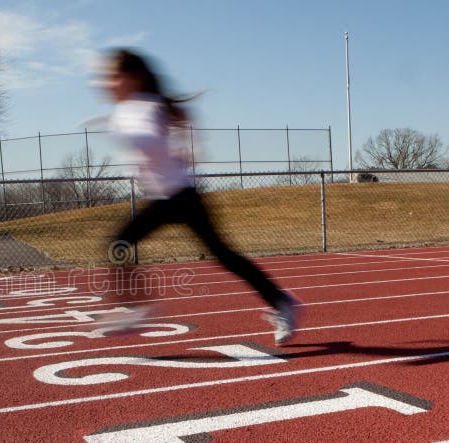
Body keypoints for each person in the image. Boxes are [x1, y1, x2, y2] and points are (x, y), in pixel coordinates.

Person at [93, 48, 300, 345]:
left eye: (112, 77)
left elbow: (153, 142)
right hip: (162, 196)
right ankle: (138, 307)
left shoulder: (149, 106)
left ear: (133, 77)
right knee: (120, 245)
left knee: (223, 257)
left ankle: (281, 301)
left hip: (182, 196)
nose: (106, 83)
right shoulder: (125, 112)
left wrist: (129, 136)